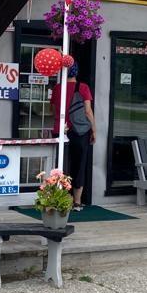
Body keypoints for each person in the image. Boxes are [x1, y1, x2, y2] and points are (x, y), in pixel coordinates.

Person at [50, 61, 96, 210]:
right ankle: (76, 201)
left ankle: (61, 199)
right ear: (76, 72)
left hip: (60, 130)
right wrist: (94, 129)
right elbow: (88, 111)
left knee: (61, 165)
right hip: (80, 132)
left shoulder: (57, 88)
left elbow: (53, 110)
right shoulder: (83, 88)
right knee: (79, 165)